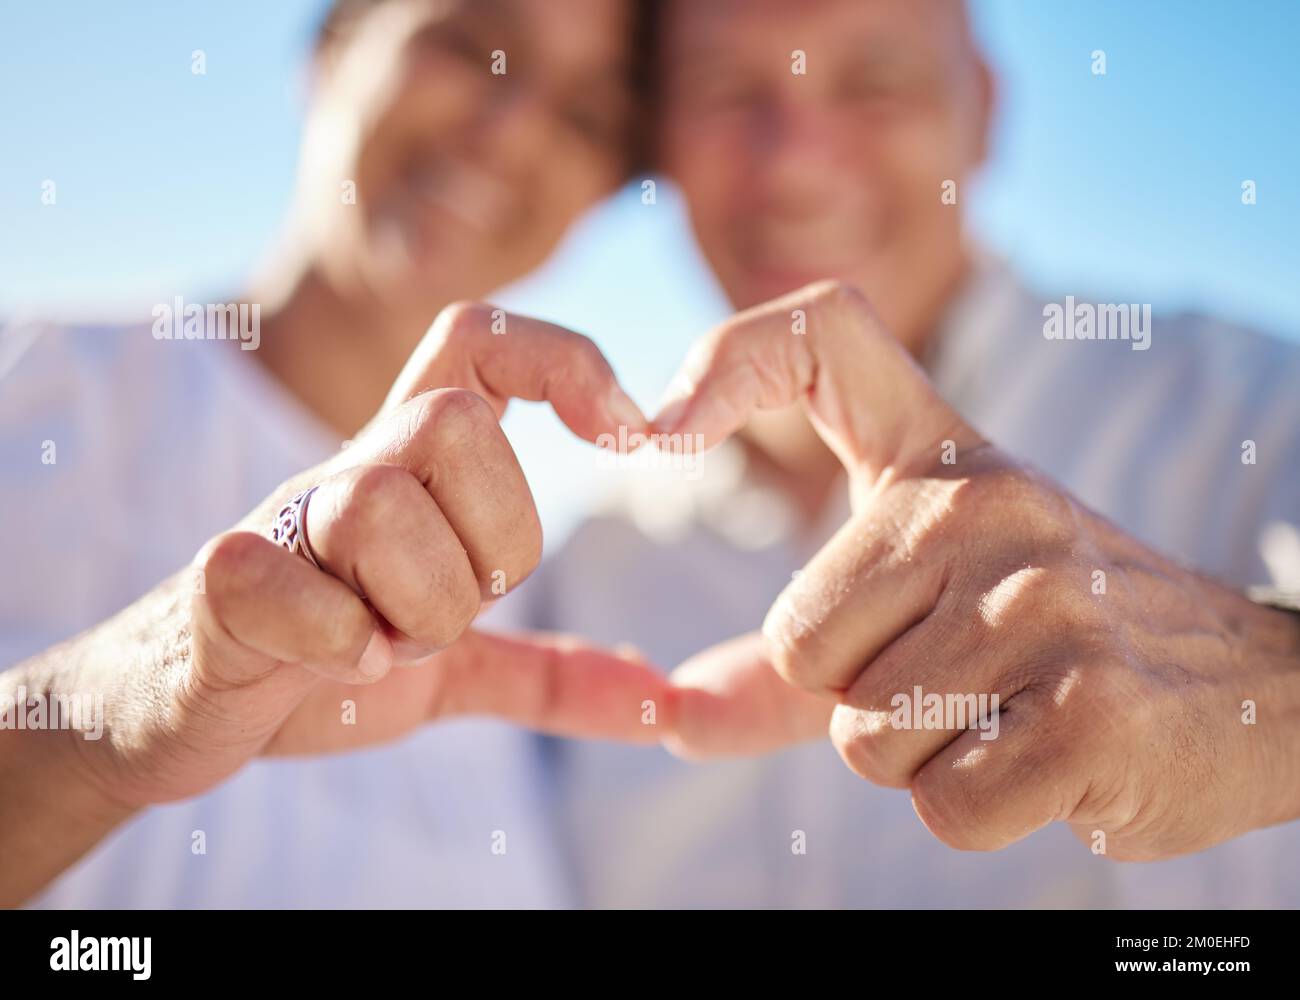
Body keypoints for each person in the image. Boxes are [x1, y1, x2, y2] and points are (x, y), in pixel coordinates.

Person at [489, 0, 1300, 906]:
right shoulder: (582, 574)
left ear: (985, 111)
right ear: (660, 144)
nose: (793, 162)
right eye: (725, 90)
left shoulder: (1252, 410)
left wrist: (1266, 684)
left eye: (877, 82)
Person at [0, 0, 661, 907]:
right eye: (474, 47)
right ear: (332, 46)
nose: (509, 133)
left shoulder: (541, 596)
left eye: (587, 118)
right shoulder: (36, 393)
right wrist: (111, 723)